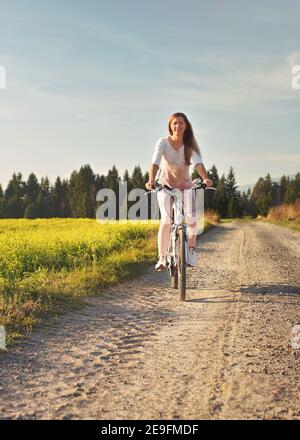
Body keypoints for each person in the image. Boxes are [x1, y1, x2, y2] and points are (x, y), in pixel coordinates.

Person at [145, 112, 213, 271]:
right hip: (165, 186)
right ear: (170, 126)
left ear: (186, 126)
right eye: (175, 123)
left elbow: (198, 164)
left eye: (181, 123)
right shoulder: (162, 143)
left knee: (190, 220)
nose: (178, 126)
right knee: (166, 221)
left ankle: (191, 252)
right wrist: (151, 180)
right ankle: (162, 258)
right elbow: (155, 162)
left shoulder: (190, 146)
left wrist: (205, 178)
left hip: (186, 187)